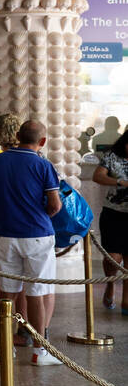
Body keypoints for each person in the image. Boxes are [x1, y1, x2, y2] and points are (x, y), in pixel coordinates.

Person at [0, 120, 62, 365]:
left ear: (17, 135)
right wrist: (39, 215)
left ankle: (6, 347)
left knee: (7, 293)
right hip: (38, 236)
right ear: (42, 142)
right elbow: (55, 205)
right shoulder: (43, 165)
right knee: (37, 292)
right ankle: (40, 351)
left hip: (5, 234)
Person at [90, 127, 128, 311]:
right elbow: (97, 176)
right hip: (114, 214)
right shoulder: (112, 156)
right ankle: (111, 284)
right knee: (113, 257)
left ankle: (126, 302)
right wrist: (119, 182)